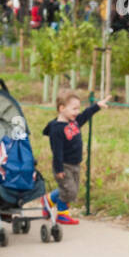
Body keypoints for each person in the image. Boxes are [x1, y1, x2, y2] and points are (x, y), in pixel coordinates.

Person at [40, 90, 110, 225]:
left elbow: (86, 115)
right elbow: (57, 151)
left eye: (78, 108)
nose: (77, 112)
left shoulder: (74, 122)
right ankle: (62, 214)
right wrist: (59, 169)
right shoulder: (56, 129)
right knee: (69, 191)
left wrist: (97, 106)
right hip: (64, 165)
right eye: (74, 109)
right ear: (62, 108)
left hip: (75, 164)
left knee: (72, 190)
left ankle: (48, 199)